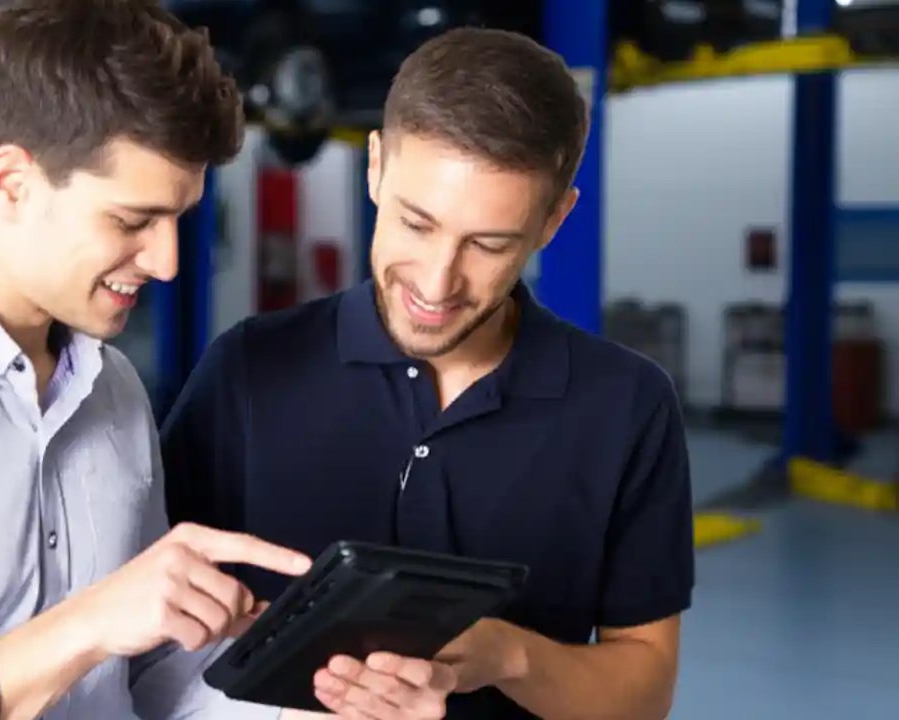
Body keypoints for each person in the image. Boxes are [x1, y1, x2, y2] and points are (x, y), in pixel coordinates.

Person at [0, 2, 451, 719]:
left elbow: (148, 673)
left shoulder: (112, 388)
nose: (166, 262)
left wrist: (317, 702)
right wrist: (86, 626)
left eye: (177, 220)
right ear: (11, 182)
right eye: (133, 220)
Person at [161, 26, 696, 720]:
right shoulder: (248, 371)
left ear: (554, 220)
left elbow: (645, 691)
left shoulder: (627, 407)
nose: (438, 283)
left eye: (488, 244)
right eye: (417, 224)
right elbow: (141, 627)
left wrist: (507, 654)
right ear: (375, 167)